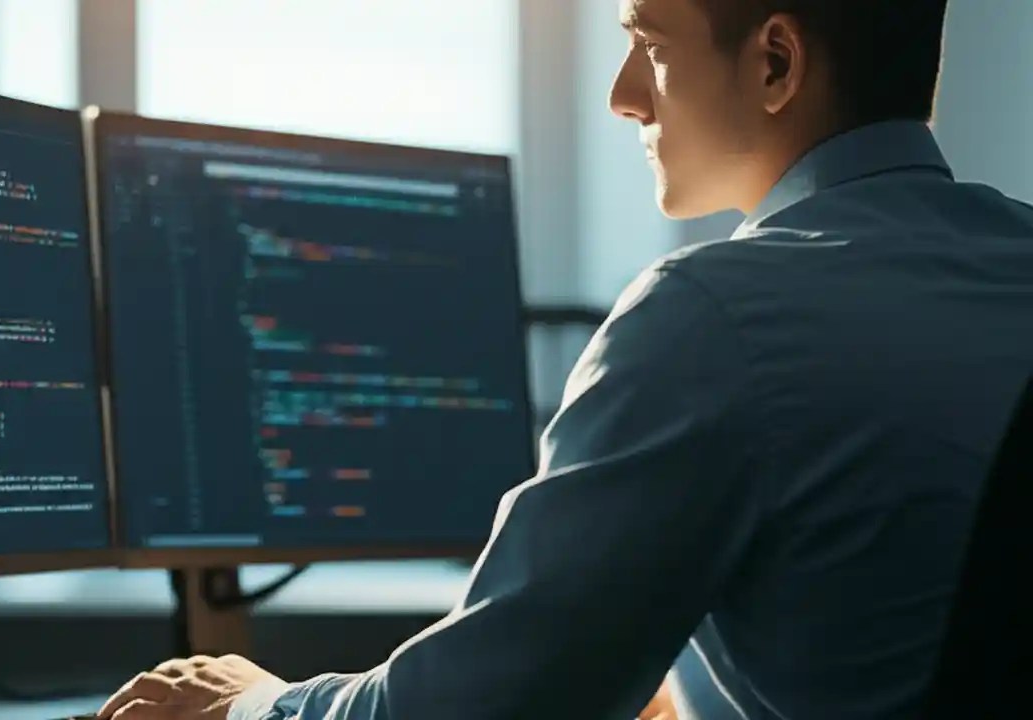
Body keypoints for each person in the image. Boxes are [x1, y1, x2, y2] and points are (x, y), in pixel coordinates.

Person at [98, 0, 1033, 717]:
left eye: (651, 43)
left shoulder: (713, 314)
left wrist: (249, 704)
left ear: (776, 63)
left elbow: (483, 711)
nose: (624, 93)